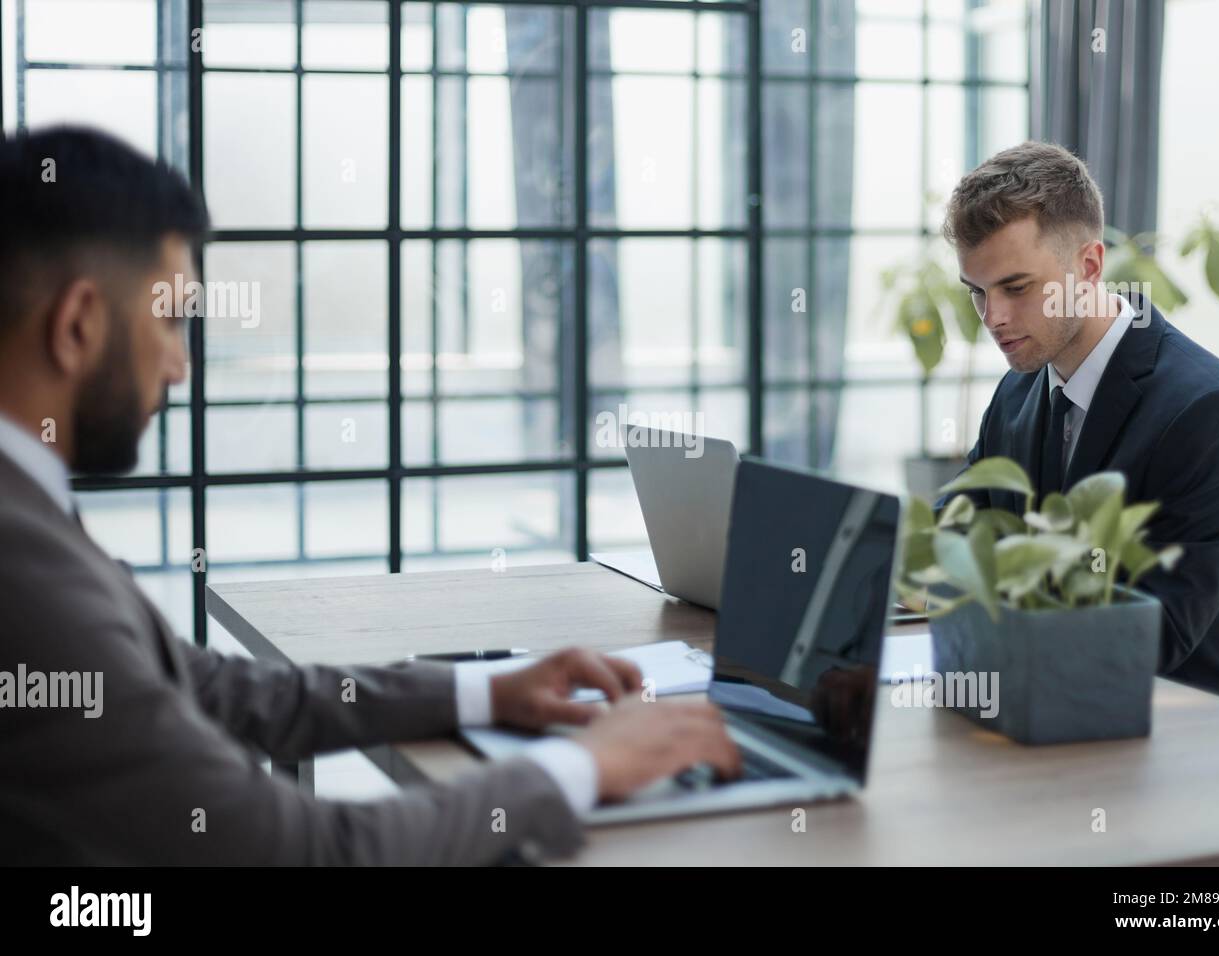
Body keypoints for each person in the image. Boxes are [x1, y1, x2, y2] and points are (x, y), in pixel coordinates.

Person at [0, 126, 740, 865]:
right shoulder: (23, 575)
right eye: (168, 320)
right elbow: (308, 852)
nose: (179, 366)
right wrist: (584, 766)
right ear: (78, 325)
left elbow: (214, 691)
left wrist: (484, 692)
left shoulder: (29, 510)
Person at [940, 140, 1219, 707]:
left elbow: (1156, 633)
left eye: (1016, 288)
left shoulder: (1207, 412)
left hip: (1189, 738)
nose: (993, 319)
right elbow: (959, 529)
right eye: (978, 293)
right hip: (1047, 704)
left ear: (1088, 266)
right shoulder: (1022, 383)